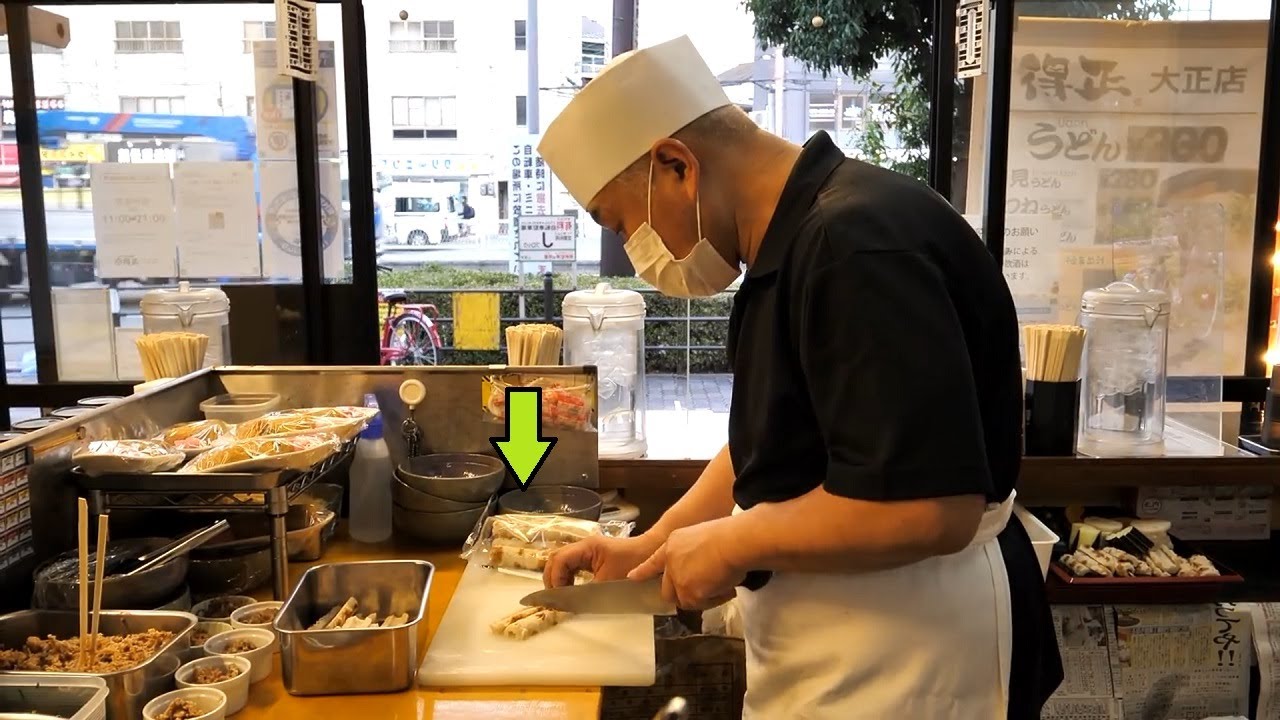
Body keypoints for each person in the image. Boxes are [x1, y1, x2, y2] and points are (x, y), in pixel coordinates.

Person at [537, 36, 1063, 719]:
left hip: (911, 652)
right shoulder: (789, 245)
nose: (636, 252)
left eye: (623, 225)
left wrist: (734, 540)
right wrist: (649, 548)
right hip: (841, 641)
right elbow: (765, 441)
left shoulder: (855, 246)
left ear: (677, 166)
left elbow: (931, 507)